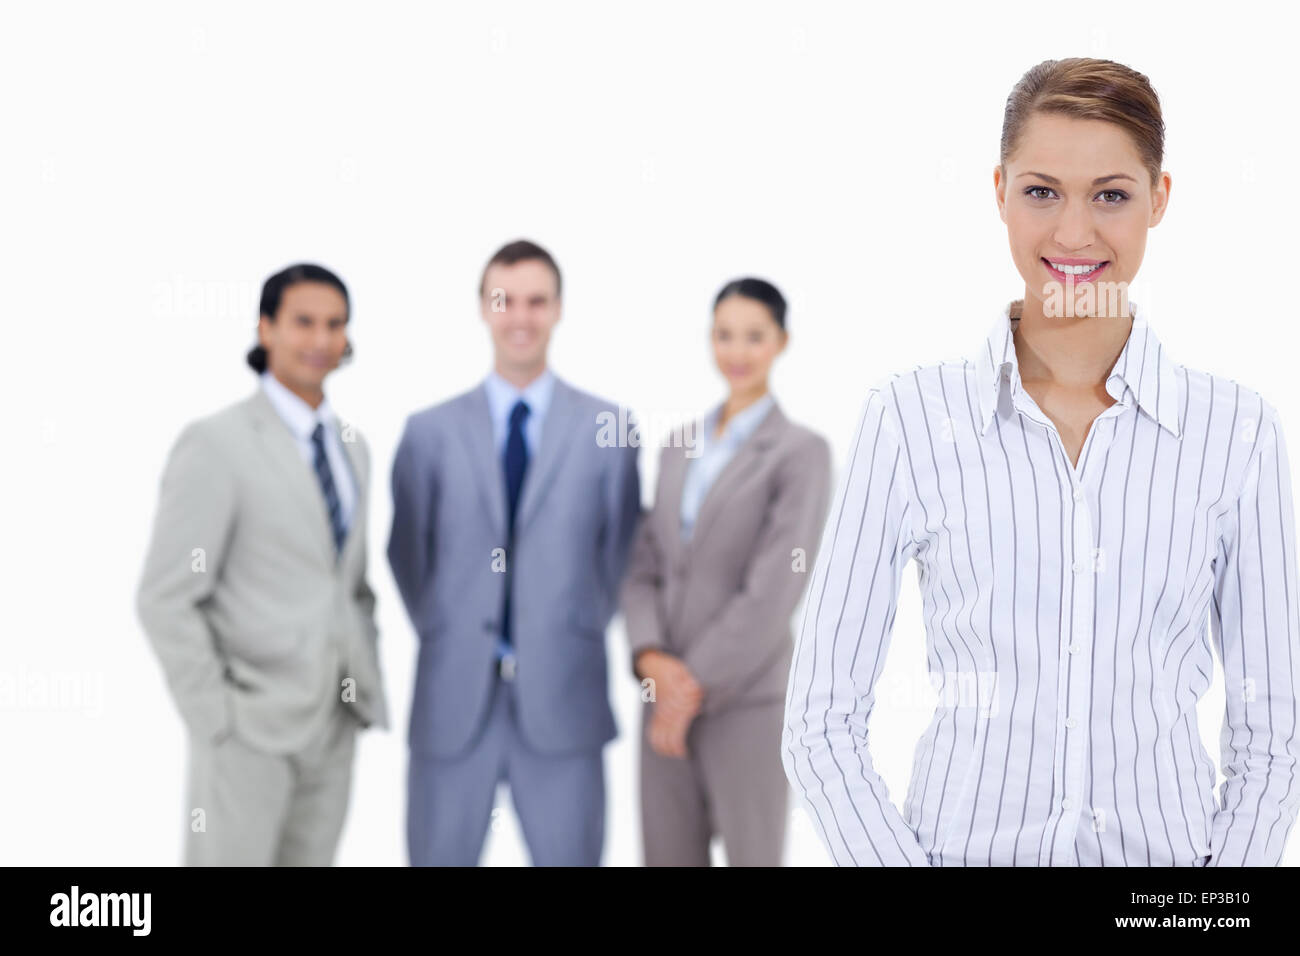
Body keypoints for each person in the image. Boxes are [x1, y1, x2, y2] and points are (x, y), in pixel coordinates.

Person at [784, 57, 1300, 867]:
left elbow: (1275, 736)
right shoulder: (912, 420)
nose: (1072, 233)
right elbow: (820, 722)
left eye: (1111, 194)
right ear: (999, 192)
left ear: (1158, 199)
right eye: (1041, 191)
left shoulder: (1237, 434)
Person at [389, 239, 641, 866]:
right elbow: (407, 554)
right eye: (505, 300)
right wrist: (448, 625)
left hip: (565, 696)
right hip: (454, 700)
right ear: (482, 307)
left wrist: (566, 624)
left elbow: (620, 554)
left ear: (558, 309)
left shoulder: (609, 429)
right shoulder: (429, 431)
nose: (520, 316)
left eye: (537, 300)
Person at [136, 263, 389, 865]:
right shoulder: (216, 443)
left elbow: (349, 584)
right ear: (266, 328)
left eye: (335, 324)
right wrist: (216, 718)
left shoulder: (353, 447)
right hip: (248, 727)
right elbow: (164, 595)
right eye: (303, 322)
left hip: (334, 720)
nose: (320, 340)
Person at [621, 277, 832, 865]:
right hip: (660, 694)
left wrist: (689, 686)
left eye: (754, 337)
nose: (737, 352)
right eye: (724, 335)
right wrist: (651, 658)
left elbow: (774, 588)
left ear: (781, 342)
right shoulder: (676, 446)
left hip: (745, 701)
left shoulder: (799, 452)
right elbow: (643, 565)